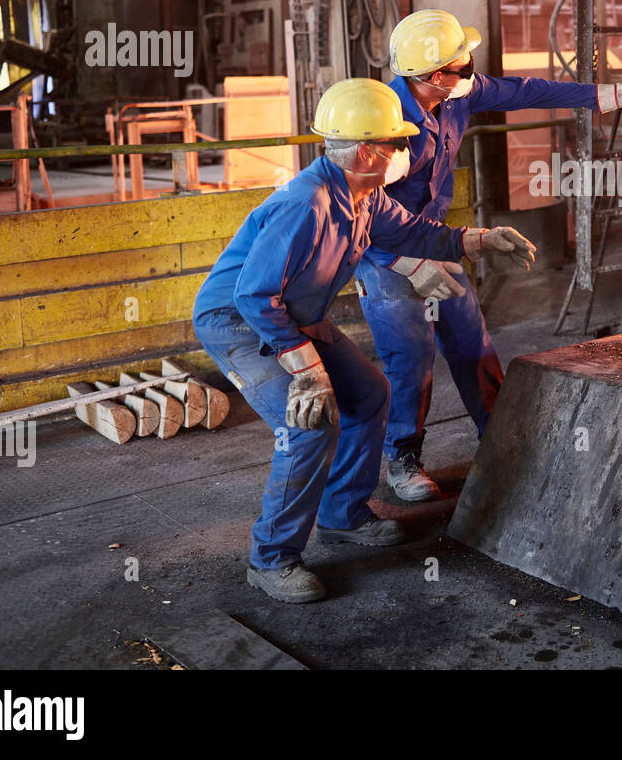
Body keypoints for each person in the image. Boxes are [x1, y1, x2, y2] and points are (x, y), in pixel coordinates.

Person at [192, 77, 536, 603]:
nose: (408, 150)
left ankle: (342, 513)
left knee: (370, 392)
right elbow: (255, 296)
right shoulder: (304, 204)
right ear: (367, 151)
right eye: (398, 143)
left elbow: (414, 231)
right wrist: (307, 371)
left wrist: (479, 239)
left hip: (294, 315)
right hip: (243, 323)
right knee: (306, 424)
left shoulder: (363, 195)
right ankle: (272, 559)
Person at [357, 8, 622, 501]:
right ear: (435, 76)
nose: (472, 68)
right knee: (410, 356)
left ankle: (497, 438)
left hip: (436, 240)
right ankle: (403, 457)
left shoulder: (457, 93)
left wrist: (607, 96)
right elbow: (357, 205)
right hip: (383, 252)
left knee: (470, 342)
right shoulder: (382, 119)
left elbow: (527, 91)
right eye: (463, 61)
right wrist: (402, 263)